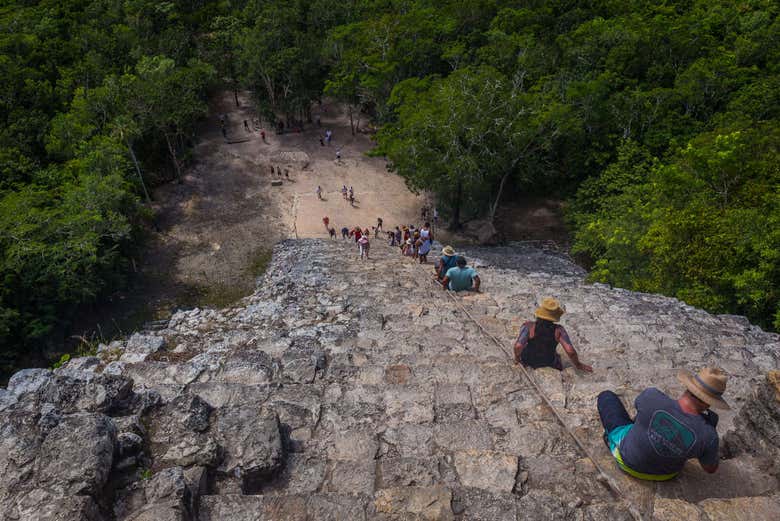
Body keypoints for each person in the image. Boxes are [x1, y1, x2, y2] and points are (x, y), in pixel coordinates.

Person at [596, 367, 728, 481]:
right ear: (709, 402)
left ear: (689, 387)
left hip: (626, 460)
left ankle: (612, 439)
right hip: (665, 475)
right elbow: (710, 468)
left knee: (606, 396)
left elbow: (638, 405)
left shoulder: (651, 397)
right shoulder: (709, 435)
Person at [513, 297, 592, 373]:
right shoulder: (559, 330)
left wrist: (517, 359)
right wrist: (578, 364)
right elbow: (570, 351)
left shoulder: (528, 326)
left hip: (527, 360)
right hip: (548, 363)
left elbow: (518, 346)